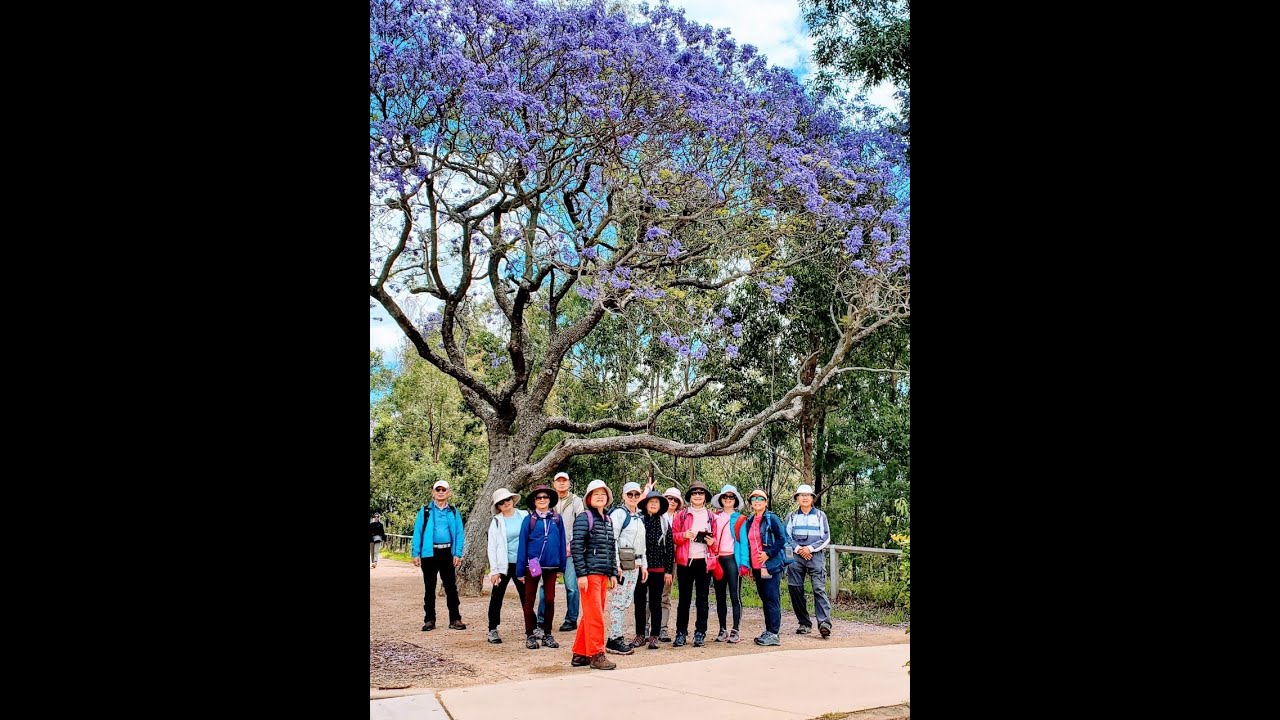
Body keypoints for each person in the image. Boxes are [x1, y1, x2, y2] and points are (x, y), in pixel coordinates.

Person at [570, 480, 619, 670]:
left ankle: (580, 653)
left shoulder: (607, 519)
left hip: (603, 574)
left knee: (591, 614)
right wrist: (581, 574)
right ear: (589, 498)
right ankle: (597, 654)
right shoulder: (584, 518)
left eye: (603, 493)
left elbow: (611, 547)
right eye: (595, 493)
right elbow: (576, 547)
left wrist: (613, 573)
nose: (600, 496)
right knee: (596, 615)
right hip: (590, 574)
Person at [411, 479, 467, 631]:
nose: (441, 492)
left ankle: (455, 619)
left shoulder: (453, 511)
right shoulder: (425, 511)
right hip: (429, 553)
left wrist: (457, 553)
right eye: (438, 489)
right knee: (430, 587)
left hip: (447, 553)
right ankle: (429, 620)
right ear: (433, 492)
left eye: (444, 490)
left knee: (451, 587)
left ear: (448, 493)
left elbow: (459, 533)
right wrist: (416, 553)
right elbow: (418, 532)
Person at [517, 484, 567, 649]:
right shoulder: (529, 520)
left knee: (550, 600)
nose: (542, 500)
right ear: (534, 501)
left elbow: (561, 543)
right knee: (529, 600)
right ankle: (530, 634)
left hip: (551, 565)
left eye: (545, 497)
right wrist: (520, 571)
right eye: (539, 498)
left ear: (550, 500)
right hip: (532, 564)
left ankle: (547, 634)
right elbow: (522, 545)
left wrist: (562, 566)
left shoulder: (556, 519)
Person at [672, 480, 718, 647]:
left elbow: (716, 541)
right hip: (685, 561)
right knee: (684, 598)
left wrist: (712, 541)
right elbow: (674, 536)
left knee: (702, 599)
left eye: (701, 493)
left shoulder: (711, 516)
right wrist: (684, 535)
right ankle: (681, 633)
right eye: (694, 493)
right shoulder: (682, 515)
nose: (697, 496)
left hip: (704, 562)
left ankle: (700, 633)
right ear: (690, 496)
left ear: (705, 497)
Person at [537, 470, 584, 632]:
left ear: (569, 483)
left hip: (570, 551)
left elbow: (580, 525)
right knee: (545, 586)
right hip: (550, 552)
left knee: (571, 586)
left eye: (565, 480)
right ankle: (541, 619)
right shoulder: (548, 501)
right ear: (554, 484)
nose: (562, 483)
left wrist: (573, 545)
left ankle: (571, 619)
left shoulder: (577, 501)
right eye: (559, 481)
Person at [741, 488, 788, 646]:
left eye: (760, 499)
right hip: (757, 567)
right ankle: (769, 630)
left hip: (770, 565)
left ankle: (774, 633)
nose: (757, 502)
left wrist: (768, 553)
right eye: (754, 499)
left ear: (766, 502)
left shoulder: (771, 518)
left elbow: (782, 539)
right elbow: (749, 544)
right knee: (765, 599)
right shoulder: (749, 521)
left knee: (772, 598)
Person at [786, 484, 834, 639]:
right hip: (796, 556)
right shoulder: (792, 517)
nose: (805, 497)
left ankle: (824, 623)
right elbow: (786, 537)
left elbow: (825, 536)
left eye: (808, 495)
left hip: (816, 555)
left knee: (819, 589)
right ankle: (804, 623)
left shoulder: (821, 516)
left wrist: (810, 549)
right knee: (795, 588)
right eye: (801, 495)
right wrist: (799, 548)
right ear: (797, 498)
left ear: (813, 498)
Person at [605, 482, 648, 655]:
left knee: (625, 602)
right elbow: (612, 539)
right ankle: (614, 638)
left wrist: (644, 565)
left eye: (636, 495)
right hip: (623, 565)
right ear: (623, 495)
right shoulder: (619, 514)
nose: (633, 498)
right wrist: (615, 565)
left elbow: (641, 544)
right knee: (618, 602)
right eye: (629, 495)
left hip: (635, 566)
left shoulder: (638, 516)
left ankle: (617, 636)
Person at [485, 488, 528, 644]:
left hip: (522, 563)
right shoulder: (496, 521)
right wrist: (494, 570)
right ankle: (492, 629)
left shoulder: (524, 515)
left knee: (527, 596)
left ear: (512, 499)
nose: (505, 503)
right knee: (497, 597)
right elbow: (492, 546)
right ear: (498, 506)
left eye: (507, 499)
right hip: (504, 565)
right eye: (501, 502)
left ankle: (532, 627)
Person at [710, 485, 750, 643]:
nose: (727, 499)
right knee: (719, 596)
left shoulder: (740, 519)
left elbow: (744, 542)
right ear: (720, 500)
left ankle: (735, 629)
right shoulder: (714, 517)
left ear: (735, 500)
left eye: (731, 497)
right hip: (717, 559)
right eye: (725, 497)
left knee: (735, 595)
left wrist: (744, 564)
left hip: (733, 559)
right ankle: (722, 629)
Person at [632, 490, 672, 649]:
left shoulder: (664, 523)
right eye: (651, 501)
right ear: (646, 504)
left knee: (656, 602)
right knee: (639, 602)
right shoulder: (638, 521)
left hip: (658, 568)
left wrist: (668, 571)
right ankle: (640, 634)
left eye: (657, 502)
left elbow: (669, 549)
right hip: (640, 567)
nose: (654, 504)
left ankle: (655, 635)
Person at [656, 487, 682, 641]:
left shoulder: (680, 518)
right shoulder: (656, 514)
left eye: (675, 499)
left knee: (665, 595)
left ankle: (663, 628)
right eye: (669, 498)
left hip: (672, 561)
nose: (672, 501)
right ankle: (647, 628)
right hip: (655, 560)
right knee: (650, 594)